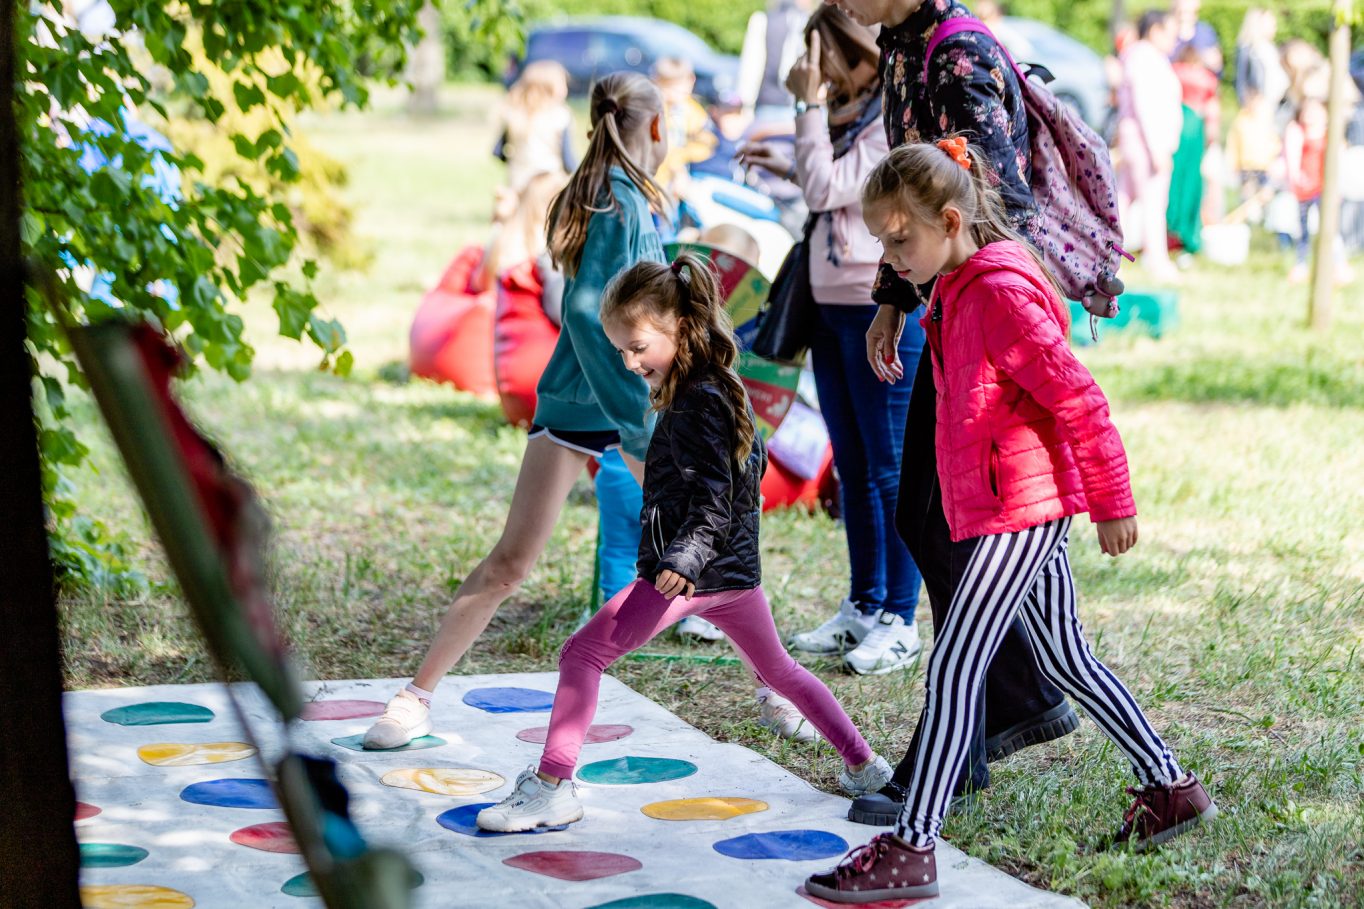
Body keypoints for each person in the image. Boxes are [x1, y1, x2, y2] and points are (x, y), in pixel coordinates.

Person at [803, 139, 1217, 903]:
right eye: (884, 243)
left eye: (901, 241)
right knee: (1065, 659)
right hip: (1008, 499)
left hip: (1019, 508)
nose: (892, 258)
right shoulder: (956, 282)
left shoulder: (997, 293)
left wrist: (1113, 501)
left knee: (958, 658)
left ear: (952, 220)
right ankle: (1171, 785)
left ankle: (912, 844)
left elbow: (1077, 397)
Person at [476, 253, 893, 831]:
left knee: (582, 653)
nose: (628, 361)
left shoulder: (700, 402)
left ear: (681, 329)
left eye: (639, 346)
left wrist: (684, 558)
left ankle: (552, 784)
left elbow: (714, 497)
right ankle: (866, 765)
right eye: (620, 348)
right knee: (779, 671)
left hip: (690, 576)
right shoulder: (713, 388)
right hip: (733, 578)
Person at [821, 0, 1079, 827]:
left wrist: (976, 318)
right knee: (927, 516)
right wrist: (897, 297)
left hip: (987, 315)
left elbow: (996, 204)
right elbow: (911, 203)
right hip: (946, 305)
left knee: (949, 521)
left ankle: (961, 738)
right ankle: (1012, 698)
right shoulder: (901, 47)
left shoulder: (954, 54)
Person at [363, 72, 672, 750]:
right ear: (655, 127)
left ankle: (772, 687)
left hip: (611, 405)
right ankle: (414, 698)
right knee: (515, 561)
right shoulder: (616, 202)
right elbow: (591, 318)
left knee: (695, 548)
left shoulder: (630, 199)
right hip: (600, 405)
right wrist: (637, 424)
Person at [739, 6, 925, 675]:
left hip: (879, 304)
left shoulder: (889, 115)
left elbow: (831, 185)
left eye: (820, 57)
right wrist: (788, 160)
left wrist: (805, 109)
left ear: (851, 52)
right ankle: (863, 604)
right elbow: (833, 191)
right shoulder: (847, 113)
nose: (810, 73)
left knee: (889, 468)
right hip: (827, 301)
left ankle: (901, 617)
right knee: (851, 466)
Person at [1116, 9, 1183, 282]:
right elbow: (1147, 106)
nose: (1174, 39)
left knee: (1123, 198)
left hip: (1139, 138)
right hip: (1146, 140)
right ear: (1155, 30)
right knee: (1153, 200)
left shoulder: (1140, 56)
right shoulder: (1145, 58)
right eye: (1170, 33)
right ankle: (1156, 259)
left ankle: (1108, 252)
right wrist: (1157, 148)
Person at [494, 61, 576, 192]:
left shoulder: (514, 115)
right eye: (563, 84)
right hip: (549, 185)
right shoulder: (561, 116)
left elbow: (497, 152)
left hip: (518, 183)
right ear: (551, 89)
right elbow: (567, 160)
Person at [652, 57, 718, 195]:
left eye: (677, 87)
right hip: (651, 180)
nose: (671, 93)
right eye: (667, 87)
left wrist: (679, 159)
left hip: (675, 184)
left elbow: (707, 144)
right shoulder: (652, 110)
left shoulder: (695, 113)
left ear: (691, 81)